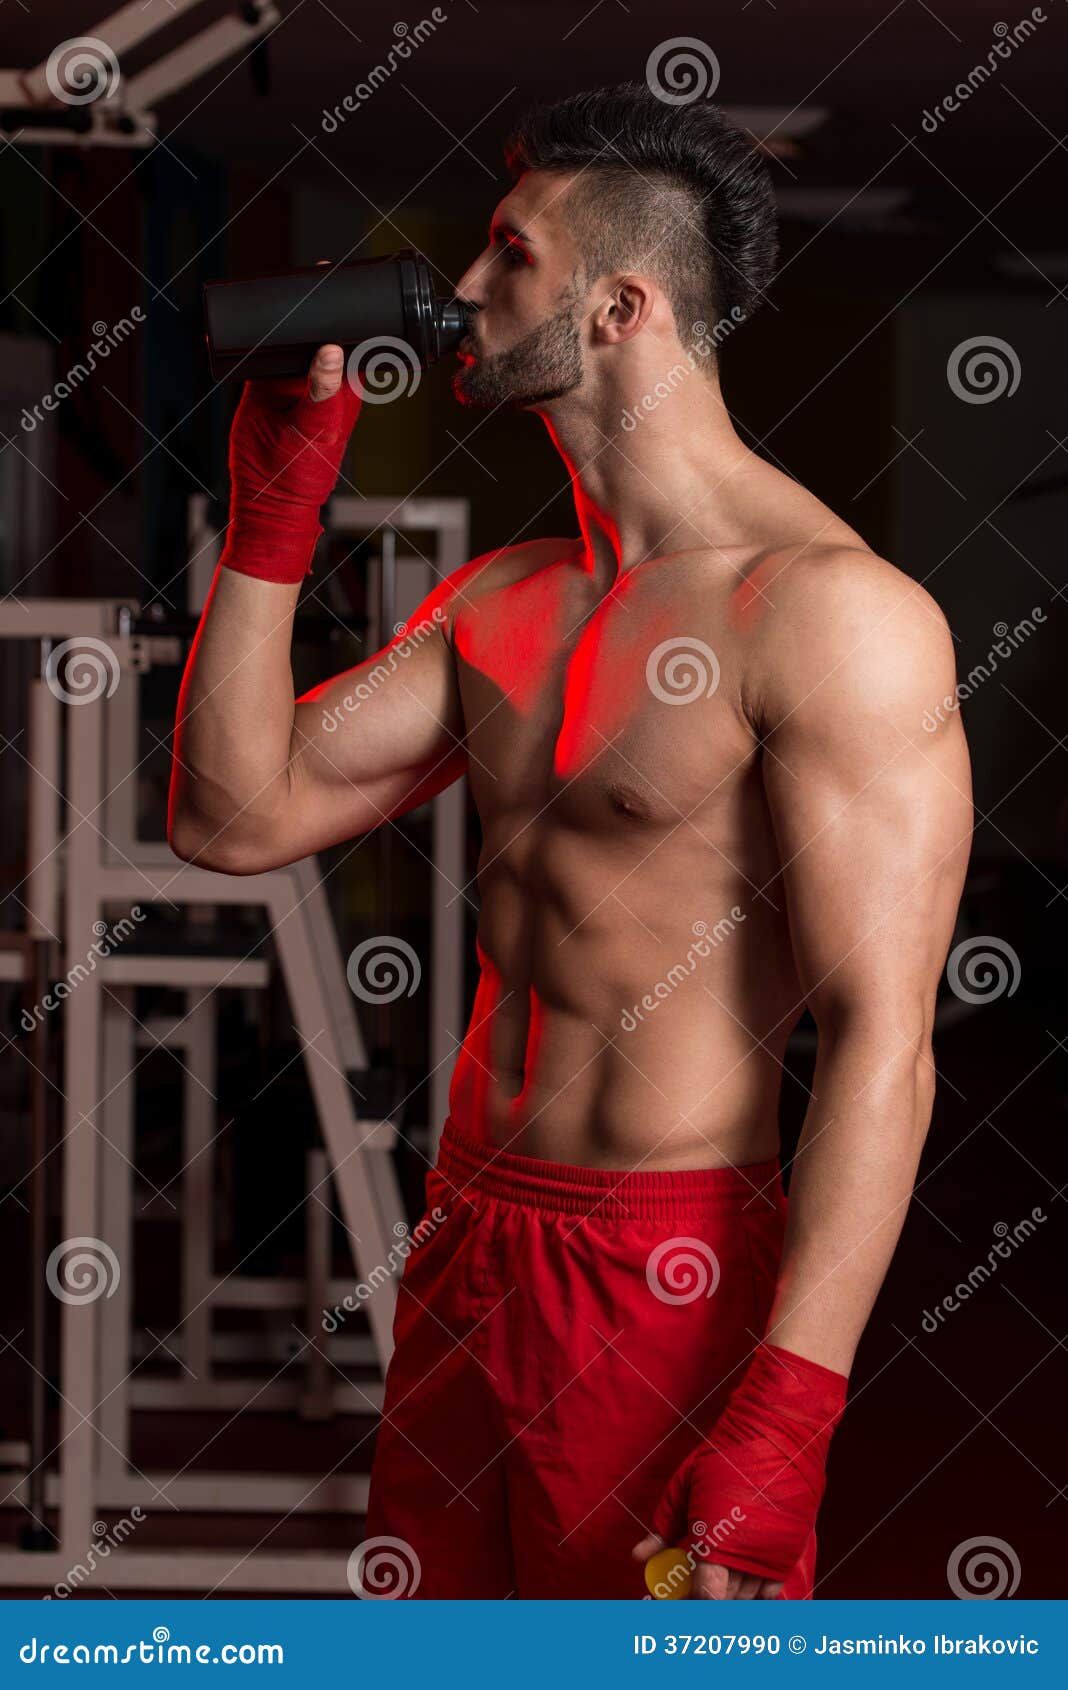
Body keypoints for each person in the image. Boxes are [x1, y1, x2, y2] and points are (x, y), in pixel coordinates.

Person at [168, 82, 973, 1600]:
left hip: (664, 1278)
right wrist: (270, 523)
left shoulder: (829, 616)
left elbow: (887, 1041)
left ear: (617, 307)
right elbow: (228, 815)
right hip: (469, 1247)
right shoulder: (504, 604)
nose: (463, 291)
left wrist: (788, 1412)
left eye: (505, 253)